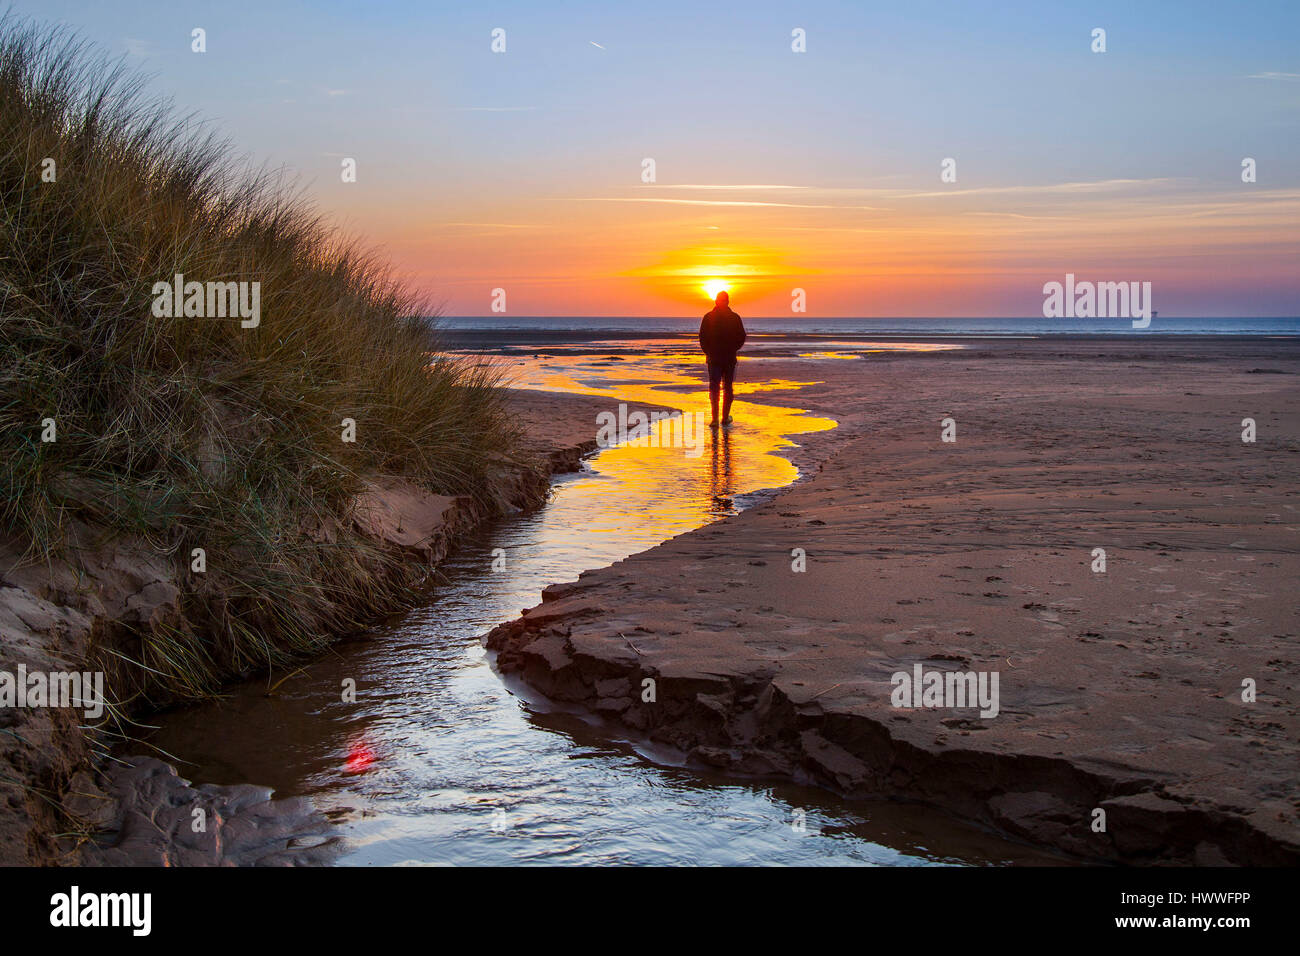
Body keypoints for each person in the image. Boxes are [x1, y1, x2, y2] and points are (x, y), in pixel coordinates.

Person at [698, 290, 746, 427]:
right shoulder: (710, 317)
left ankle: (722, 418)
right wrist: (709, 352)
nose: (723, 303)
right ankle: (718, 418)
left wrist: (731, 349)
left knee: (722, 387)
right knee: (720, 387)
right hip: (719, 358)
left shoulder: (732, 317)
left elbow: (741, 337)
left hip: (724, 358)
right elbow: (702, 338)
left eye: (724, 300)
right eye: (722, 300)